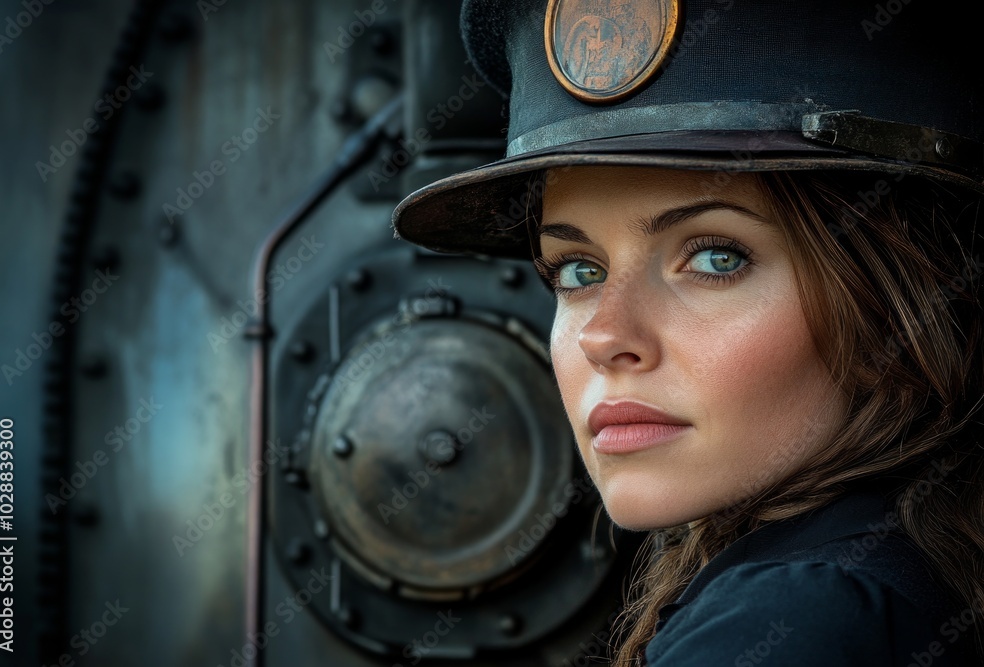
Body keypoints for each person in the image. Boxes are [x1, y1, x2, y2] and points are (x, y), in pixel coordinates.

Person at [391, 0, 984, 665]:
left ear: (901, 292)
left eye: (715, 258)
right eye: (579, 270)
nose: (603, 336)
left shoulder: (801, 616)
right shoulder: (911, 576)